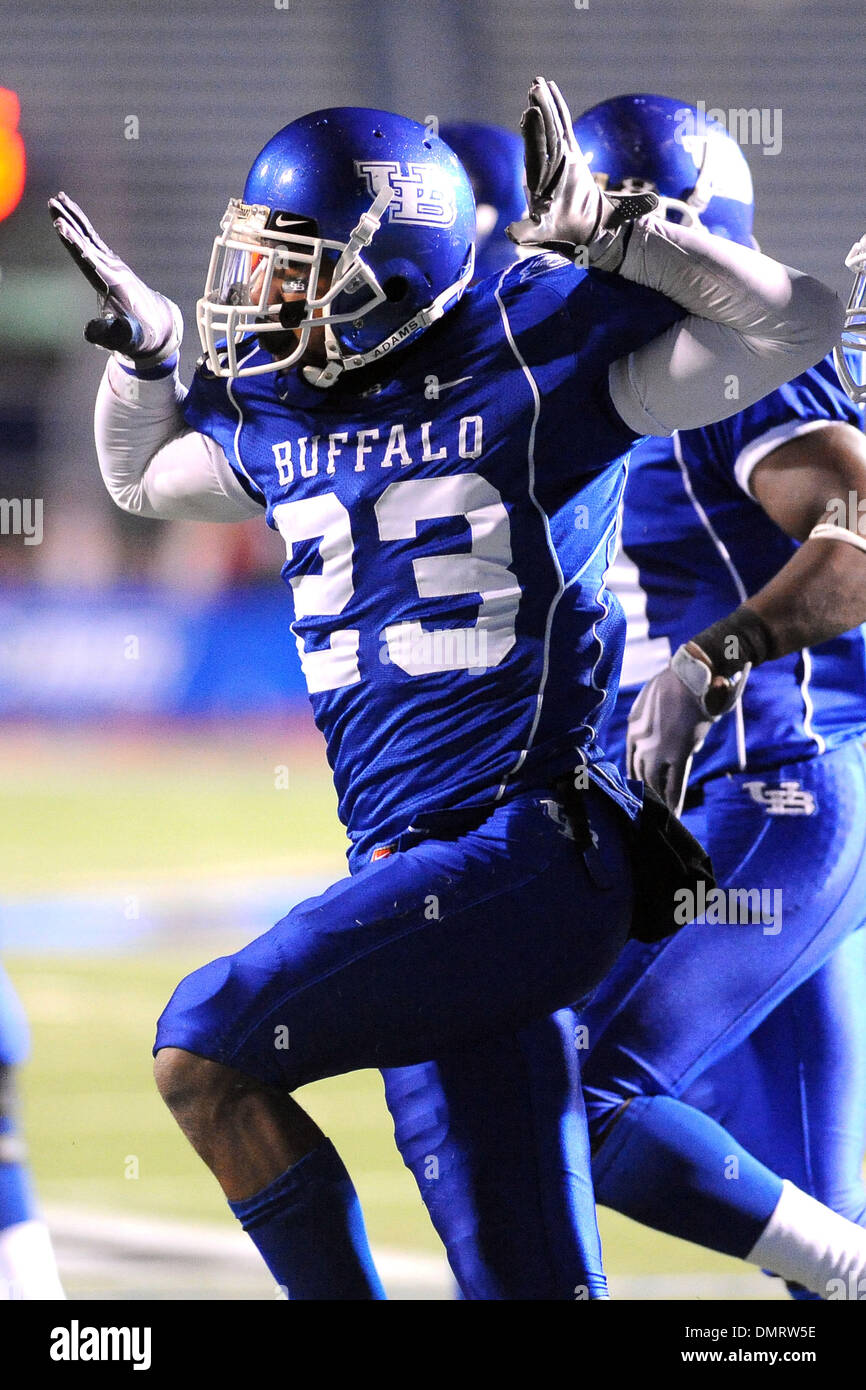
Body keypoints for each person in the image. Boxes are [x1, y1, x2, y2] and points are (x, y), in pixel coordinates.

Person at [51, 79, 844, 1300]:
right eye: (257, 262)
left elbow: (797, 326)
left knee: (205, 1046)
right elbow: (145, 477)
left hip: (534, 847)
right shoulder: (291, 407)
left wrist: (638, 243)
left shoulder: (532, 360)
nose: (256, 294)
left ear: (391, 265)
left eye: (288, 265)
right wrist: (150, 356)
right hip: (424, 873)